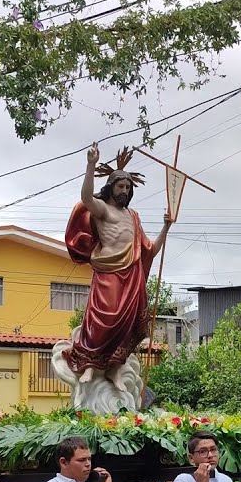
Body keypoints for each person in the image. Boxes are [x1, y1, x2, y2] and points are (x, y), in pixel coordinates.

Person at [62, 142, 173, 386]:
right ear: (111, 187)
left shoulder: (133, 216)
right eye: (120, 186)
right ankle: (90, 365)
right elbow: (86, 198)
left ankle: (114, 367)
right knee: (105, 318)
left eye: (128, 187)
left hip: (131, 274)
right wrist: (91, 165)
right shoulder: (103, 209)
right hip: (108, 271)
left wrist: (166, 227)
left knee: (127, 321)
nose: (124, 190)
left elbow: (150, 250)